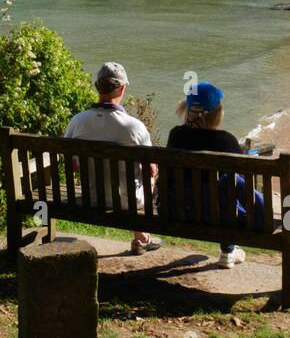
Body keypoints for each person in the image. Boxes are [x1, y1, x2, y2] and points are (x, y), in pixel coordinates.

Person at [65, 61, 159, 254]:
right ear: (122, 88)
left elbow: (72, 165)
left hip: (91, 198)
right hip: (129, 202)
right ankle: (141, 237)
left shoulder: (77, 122)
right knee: (151, 174)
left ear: (97, 87)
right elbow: (150, 170)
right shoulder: (134, 127)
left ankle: (142, 238)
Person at [164, 80, 258, 269]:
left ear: (187, 109)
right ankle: (228, 250)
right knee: (226, 193)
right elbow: (243, 177)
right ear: (217, 114)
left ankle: (229, 249)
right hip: (218, 217)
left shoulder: (176, 135)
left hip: (178, 211)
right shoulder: (227, 141)